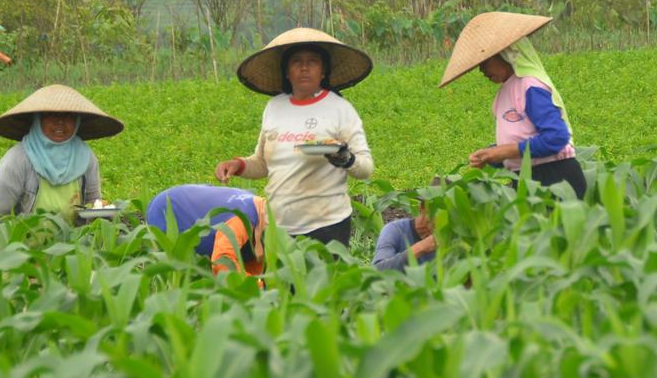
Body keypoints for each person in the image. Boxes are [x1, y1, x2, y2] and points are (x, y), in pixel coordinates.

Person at [215, 28, 374, 248]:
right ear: (287, 72)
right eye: (297, 61)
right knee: (281, 283)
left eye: (313, 61)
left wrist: (345, 158)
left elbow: (366, 167)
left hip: (328, 226)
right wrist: (237, 165)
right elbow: (263, 164)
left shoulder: (340, 109)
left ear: (323, 71)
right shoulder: (274, 107)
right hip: (279, 230)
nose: (305, 67)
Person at [438, 11, 586, 198]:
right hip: (526, 181)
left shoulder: (530, 86)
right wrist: (491, 154)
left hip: (555, 179)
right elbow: (519, 139)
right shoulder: (504, 93)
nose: (481, 70)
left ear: (506, 54)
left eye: (485, 62)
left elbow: (556, 138)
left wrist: (504, 151)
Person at [0, 84, 123, 232]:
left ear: (77, 121)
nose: (60, 122)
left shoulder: (86, 158)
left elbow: (93, 204)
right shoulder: (17, 160)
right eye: (50, 115)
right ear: (37, 120)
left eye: (68, 116)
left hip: (74, 251)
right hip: (24, 251)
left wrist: (102, 216)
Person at [146, 185, 269, 275]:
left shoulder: (262, 212)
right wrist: (257, 287)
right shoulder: (241, 220)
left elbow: (253, 267)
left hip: (186, 198)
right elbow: (223, 262)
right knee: (175, 271)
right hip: (168, 210)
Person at [373, 180, 442, 272]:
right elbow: (378, 270)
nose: (440, 218)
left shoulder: (452, 237)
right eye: (437, 211)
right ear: (422, 207)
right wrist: (422, 247)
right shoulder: (395, 230)